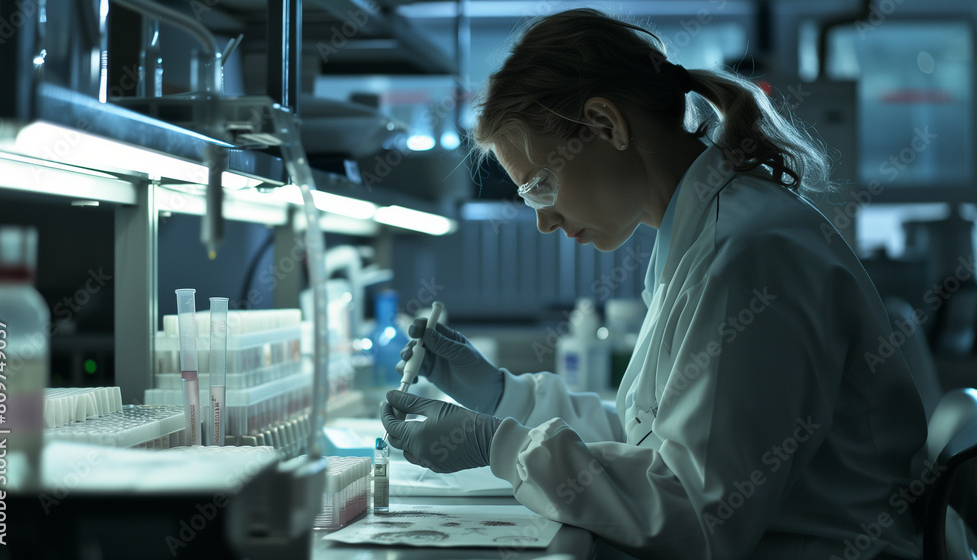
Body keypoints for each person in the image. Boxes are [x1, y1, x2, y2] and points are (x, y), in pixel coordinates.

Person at [380, 8, 931, 559]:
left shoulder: (745, 253)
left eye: (540, 185)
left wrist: (495, 444)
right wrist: (501, 397)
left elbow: (696, 514)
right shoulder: (707, 235)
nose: (543, 220)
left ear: (605, 125)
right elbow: (651, 439)